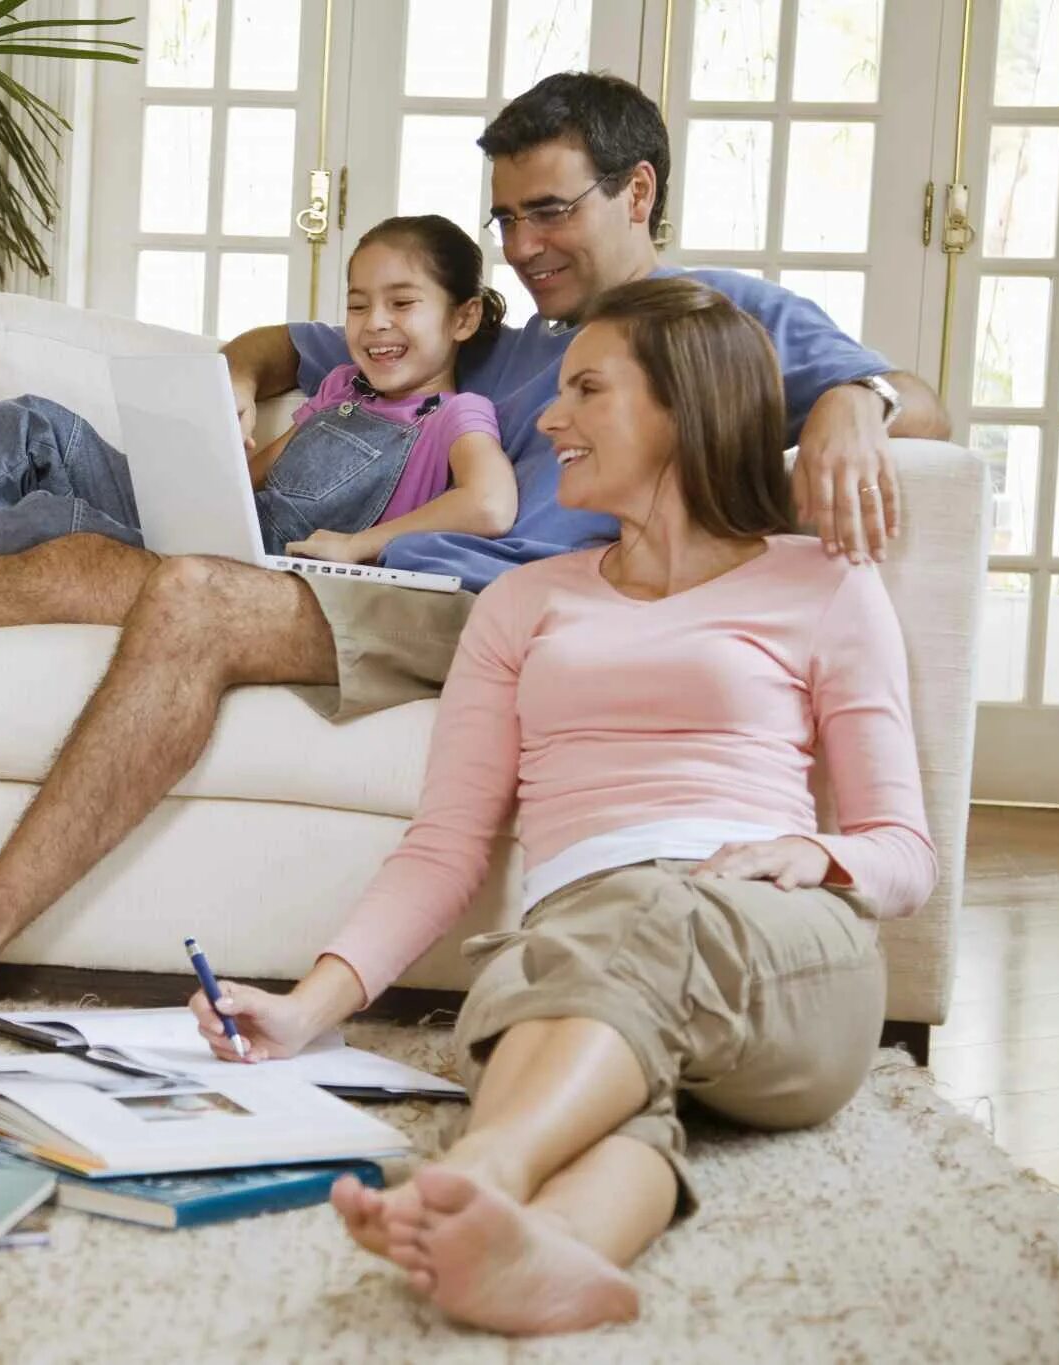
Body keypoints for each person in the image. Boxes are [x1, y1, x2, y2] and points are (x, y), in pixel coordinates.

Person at [0, 72, 949, 1014]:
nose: (518, 243)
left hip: (505, 610)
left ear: (639, 194)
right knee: (93, 565)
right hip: (384, 580)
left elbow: (921, 397)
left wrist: (859, 408)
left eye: (550, 209)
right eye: (505, 215)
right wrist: (240, 394)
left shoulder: (718, 314)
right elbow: (293, 338)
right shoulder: (497, 338)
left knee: (193, 597)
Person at [185, 276, 937, 1337]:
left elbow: (902, 852)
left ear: (683, 408)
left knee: (637, 922)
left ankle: (480, 1167)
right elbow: (443, 845)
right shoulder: (522, 601)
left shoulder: (820, 583)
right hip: (577, 951)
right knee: (553, 979)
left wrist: (810, 856)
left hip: (773, 945)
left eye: (586, 388)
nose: (546, 416)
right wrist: (305, 1009)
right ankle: (556, 1256)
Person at [0, 213, 515, 582]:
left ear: (461, 318)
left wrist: (360, 544)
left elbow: (488, 503)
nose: (375, 323)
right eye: (359, 304)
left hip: (241, 567)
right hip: (200, 521)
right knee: (26, 421)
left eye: (403, 304)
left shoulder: (455, 416)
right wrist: (212, 457)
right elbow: (258, 480)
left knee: (47, 520)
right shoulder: (342, 387)